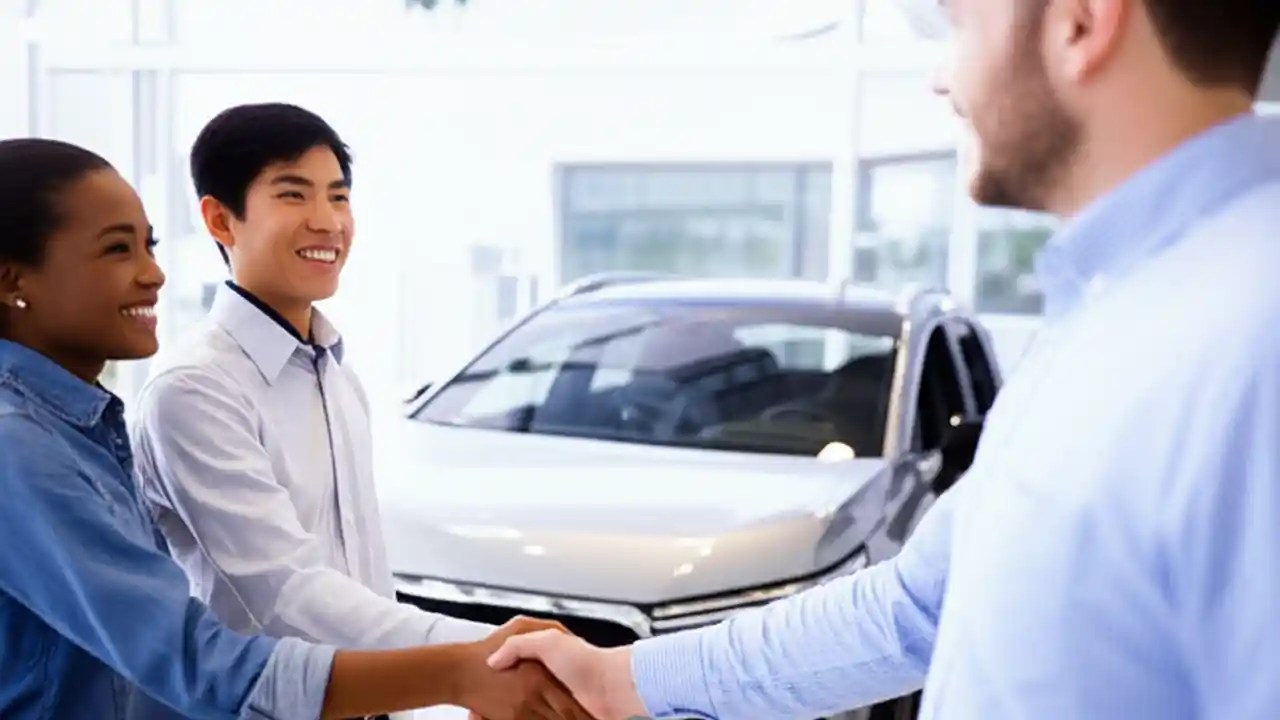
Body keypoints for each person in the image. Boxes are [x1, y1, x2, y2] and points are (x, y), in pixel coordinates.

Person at [485, 1, 1280, 719]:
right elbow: (915, 605)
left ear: (1081, 21)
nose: (942, 78)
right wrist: (623, 680)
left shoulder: (1248, 340)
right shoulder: (1112, 310)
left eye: (959, 25)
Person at [0, 136, 590, 720]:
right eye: (116, 251)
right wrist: (464, 668)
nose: (153, 274)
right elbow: (217, 644)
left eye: (338, 197)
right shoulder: (36, 441)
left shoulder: (82, 424)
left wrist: (460, 671)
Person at [129, 103, 500, 719]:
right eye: (293, 195)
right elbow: (285, 591)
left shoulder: (335, 371)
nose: (328, 222)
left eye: (339, 197)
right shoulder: (195, 389)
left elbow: (362, 573)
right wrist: (476, 653)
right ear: (221, 219)